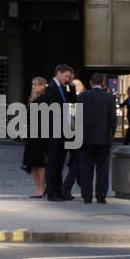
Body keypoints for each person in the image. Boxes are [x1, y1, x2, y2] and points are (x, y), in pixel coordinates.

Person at [78, 74, 117, 204]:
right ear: (103, 83)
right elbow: (113, 119)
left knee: (86, 168)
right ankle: (101, 196)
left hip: (85, 138)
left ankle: (87, 196)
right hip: (104, 139)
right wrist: (111, 133)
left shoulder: (82, 96)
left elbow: (74, 117)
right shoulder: (109, 97)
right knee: (102, 169)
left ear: (90, 82)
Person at [41, 63, 76, 200]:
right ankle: (51, 192)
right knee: (53, 163)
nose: (68, 79)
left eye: (70, 77)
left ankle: (58, 190)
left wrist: (72, 86)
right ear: (59, 73)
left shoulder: (62, 88)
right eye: (67, 76)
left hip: (62, 132)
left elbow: (73, 103)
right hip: (54, 131)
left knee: (60, 162)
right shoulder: (51, 88)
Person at [21, 77, 48, 198]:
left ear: (42, 86)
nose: (33, 87)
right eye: (32, 85)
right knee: (33, 163)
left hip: (41, 134)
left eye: (36, 85)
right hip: (32, 134)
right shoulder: (33, 99)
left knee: (40, 163)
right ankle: (37, 187)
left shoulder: (44, 99)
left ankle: (41, 187)